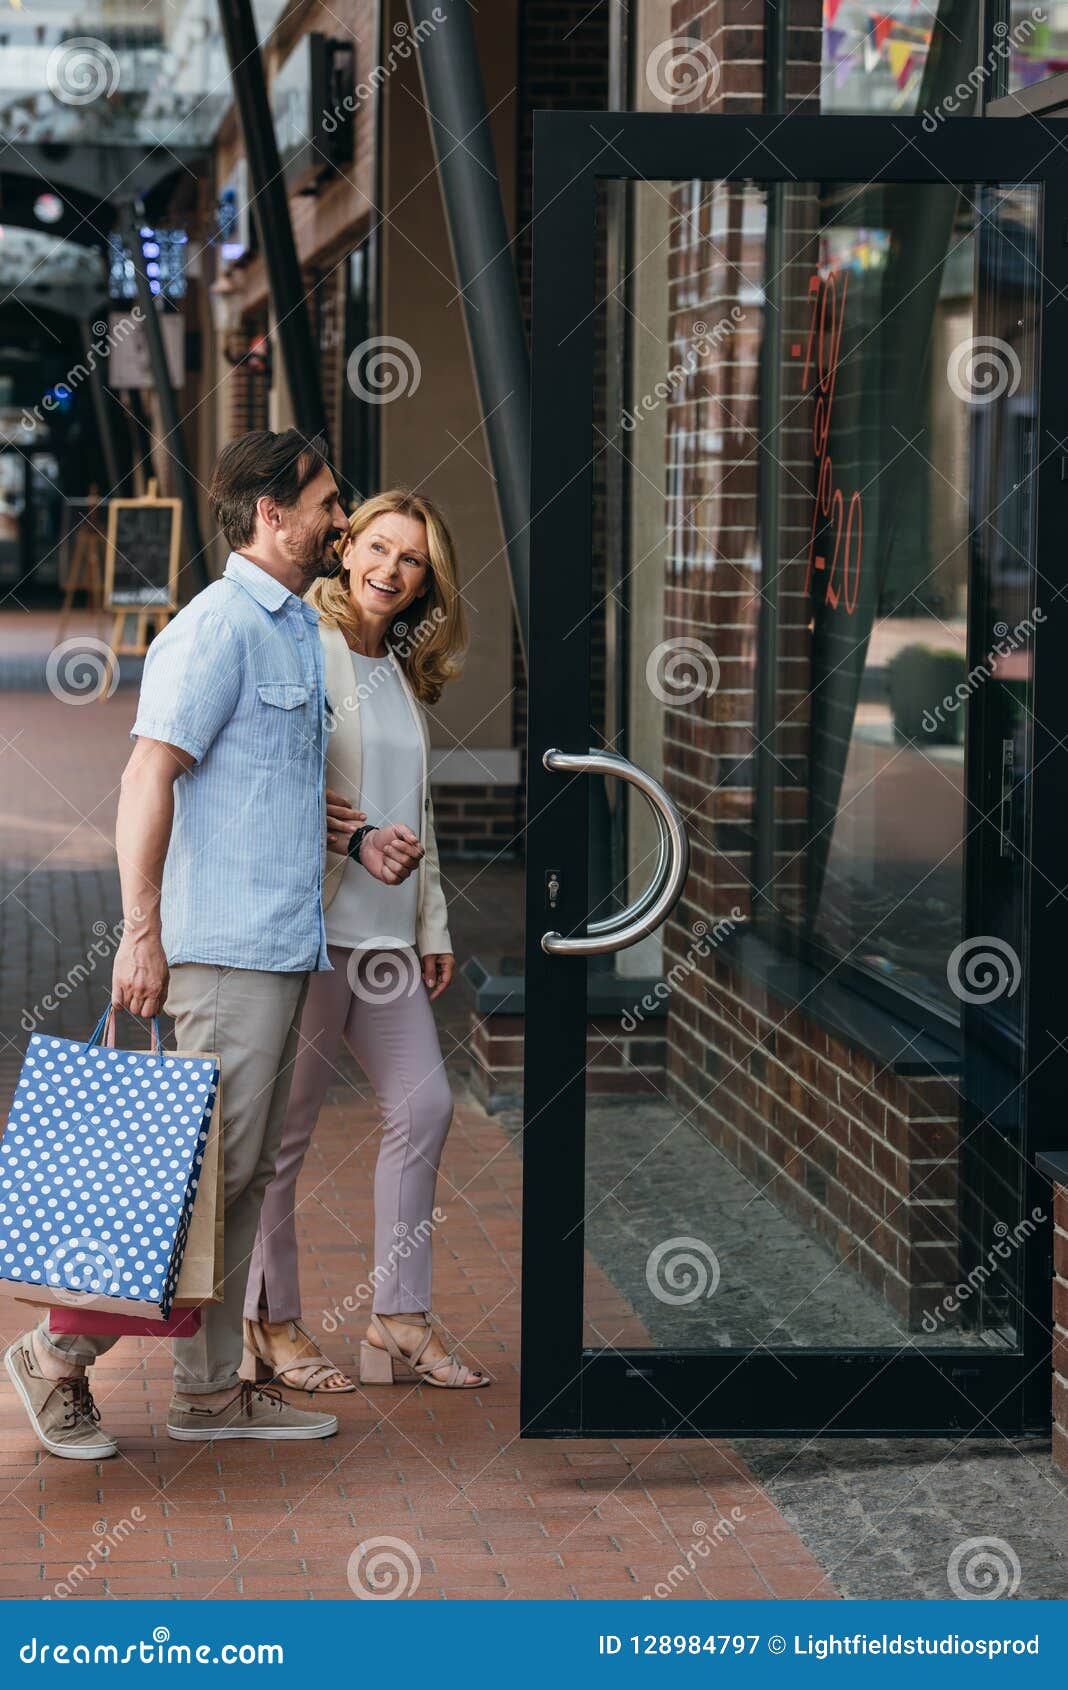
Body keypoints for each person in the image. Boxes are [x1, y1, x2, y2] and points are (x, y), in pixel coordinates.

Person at [5, 431, 424, 1460]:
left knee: (234, 1178)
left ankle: (206, 1390)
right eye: (328, 503)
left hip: (285, 945)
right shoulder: (218, 627)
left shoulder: (290, 631)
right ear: (273, 515)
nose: (342, 518)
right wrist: (139, 931)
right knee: (194, 1174)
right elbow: (148, 777)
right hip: (222, 946)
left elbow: (273, 782)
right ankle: (55, 1355)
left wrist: (358, 835)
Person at [240, 490, 491, 1393]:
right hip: (309, 935)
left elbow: (412, 807)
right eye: (377, 547)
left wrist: (433, 922)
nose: (390, 569)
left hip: (384, 941)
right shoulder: (301, 646)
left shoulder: (398, 670)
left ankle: (398, 1315)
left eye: (412, 559)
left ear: (429, 581)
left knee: (424, 1109)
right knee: (282, 1141)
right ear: (345, 552)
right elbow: (262, 778)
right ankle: (273, 1323)